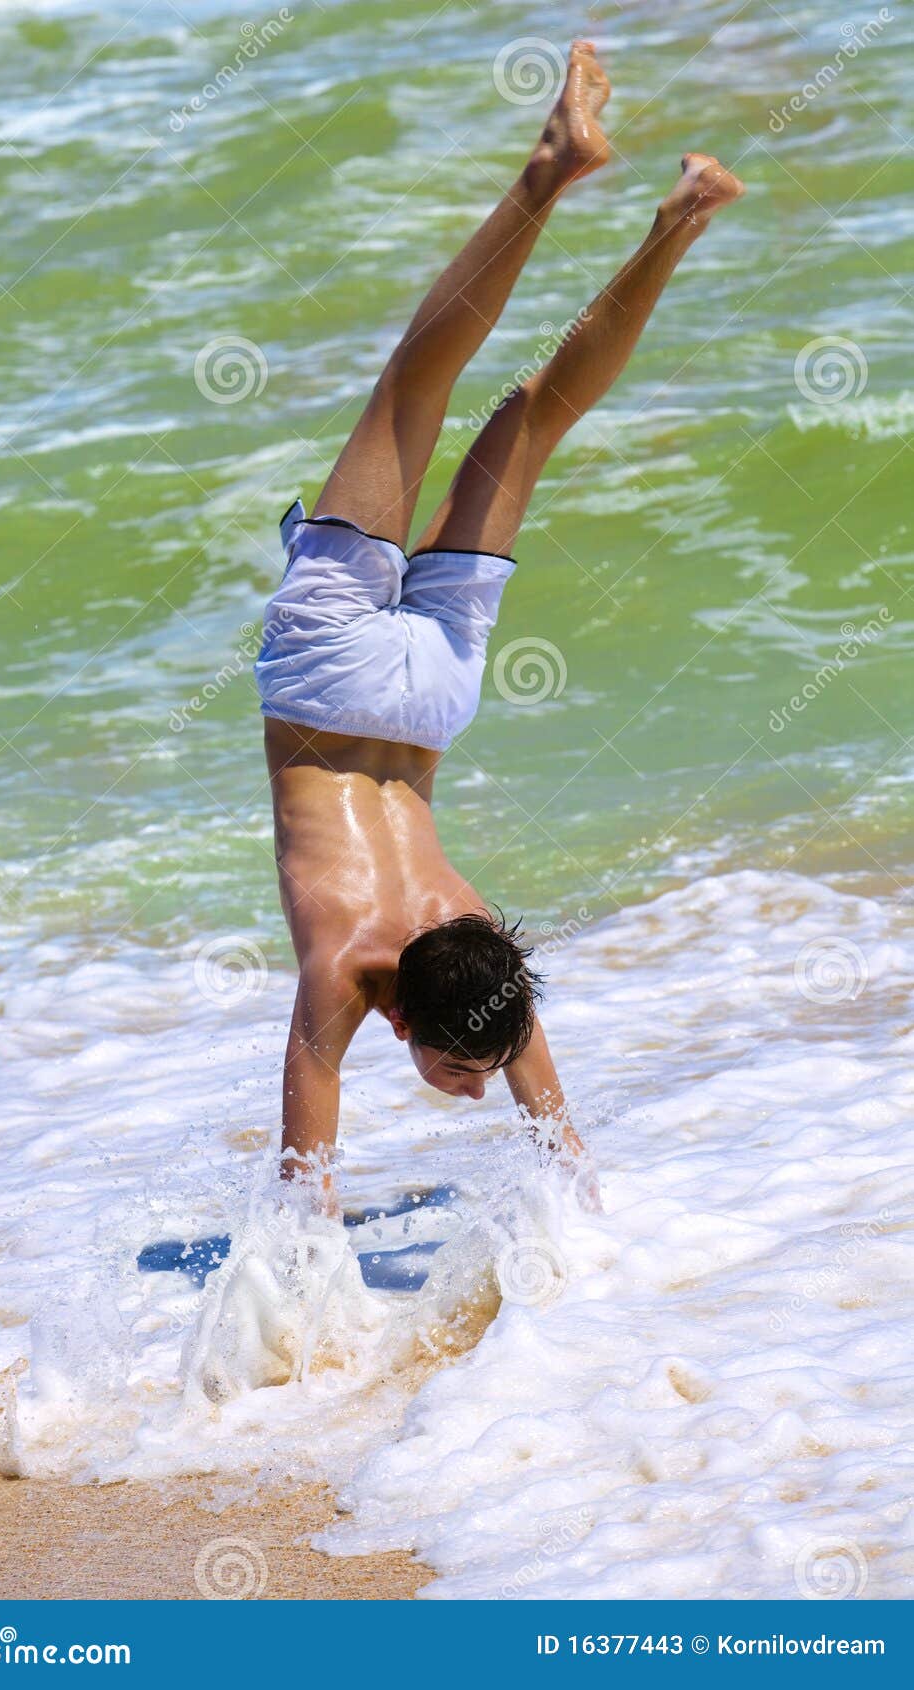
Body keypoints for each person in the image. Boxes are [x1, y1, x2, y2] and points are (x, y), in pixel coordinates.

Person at [254, 42, 744, 1202]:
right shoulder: (349, 965)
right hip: (328, 683)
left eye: (464, 1074)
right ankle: (553, 170)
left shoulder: (472, 944)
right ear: (410, 1016)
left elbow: (532, 1103)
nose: (475, 1086)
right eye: (468, 1071)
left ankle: (681, 215)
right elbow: (302, 1172)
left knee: (531, 420)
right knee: (418, 398)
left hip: (432, 689)